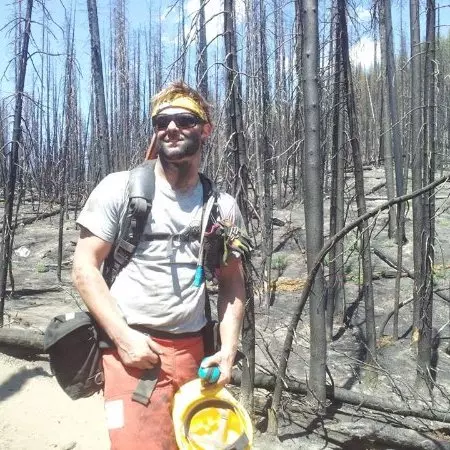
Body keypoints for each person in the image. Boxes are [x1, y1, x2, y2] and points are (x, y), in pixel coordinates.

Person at [71, 81, 247, 450]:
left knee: (201, 443)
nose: (171, 128)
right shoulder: (119, 189)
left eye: (184, 119)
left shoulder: (223, 207)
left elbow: (232, 282)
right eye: (161, 121)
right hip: (132, 354)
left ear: (205, 130)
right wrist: (123, 338)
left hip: (196, 354)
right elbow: (84, 267)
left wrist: (228, 351)